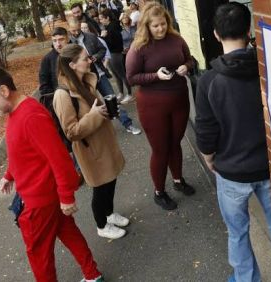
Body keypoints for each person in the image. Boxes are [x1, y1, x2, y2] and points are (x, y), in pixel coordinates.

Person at [0, 66, 104, 282]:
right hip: (46, 197)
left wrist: (67, 196)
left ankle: (92, 274)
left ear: (3, 91)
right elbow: (22, 151)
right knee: (69, 233)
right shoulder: (14, 112)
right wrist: (9, 174)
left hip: (39, 203)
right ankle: (93, 274)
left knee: (38, 254)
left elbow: (59, 158)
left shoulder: (30, 116)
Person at [194, 3, 271, 282]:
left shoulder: (209, 80)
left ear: (216, 34)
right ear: (249, 29)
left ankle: (246, 278)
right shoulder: (268, 70)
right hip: (268, 168)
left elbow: (206, 131)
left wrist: (209, 158)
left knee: (238, 232)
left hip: (230, 172)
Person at [53, 43, 129, 240]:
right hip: (91, 150)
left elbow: (96, 108)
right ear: (72, 65)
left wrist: (108, 110)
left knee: (110, 180)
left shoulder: (85, 81)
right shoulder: (62, 95)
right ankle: (101, 225)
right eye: (85, 59)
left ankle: (109, 214)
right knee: (100, 187)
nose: (89, 61)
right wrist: (95, 115)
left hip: (104, 142)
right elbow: (71, 131)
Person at [126, 2, 195, 210]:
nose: (160, 29)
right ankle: (159, 191)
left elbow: (190, 59)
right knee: (160, 148)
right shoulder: (139, 48)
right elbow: (131, 78)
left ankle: (178, 180)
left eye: (163, 24)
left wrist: (186, 66)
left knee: (176, 143)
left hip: (179, 100)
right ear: (147, 26)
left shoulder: (177, 39)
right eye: (155, 26)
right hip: (152, 105)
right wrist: (155, 76)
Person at [68, 19, 141, 135]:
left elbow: (103, 49)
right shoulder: (69, 43)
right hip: (83, 79)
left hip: (99, 75)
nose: (76, 32)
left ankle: (128, 124)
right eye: (73, 31)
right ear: (69, 29)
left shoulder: (90, 37)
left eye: (78, 30)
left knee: (111, 101)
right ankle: (100, 129)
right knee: (90, 105)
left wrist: (96, 57)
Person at [99, 9, 133, 104]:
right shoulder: (109, 27)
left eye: (101, 19)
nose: (100, 21)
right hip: (111, 54)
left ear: (107, 18)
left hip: (115, 54)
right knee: (116, 75)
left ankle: (130, 94)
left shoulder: (112, 27)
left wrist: (103, 37)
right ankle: (121, 93)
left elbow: (113, 43)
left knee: (122, 74)